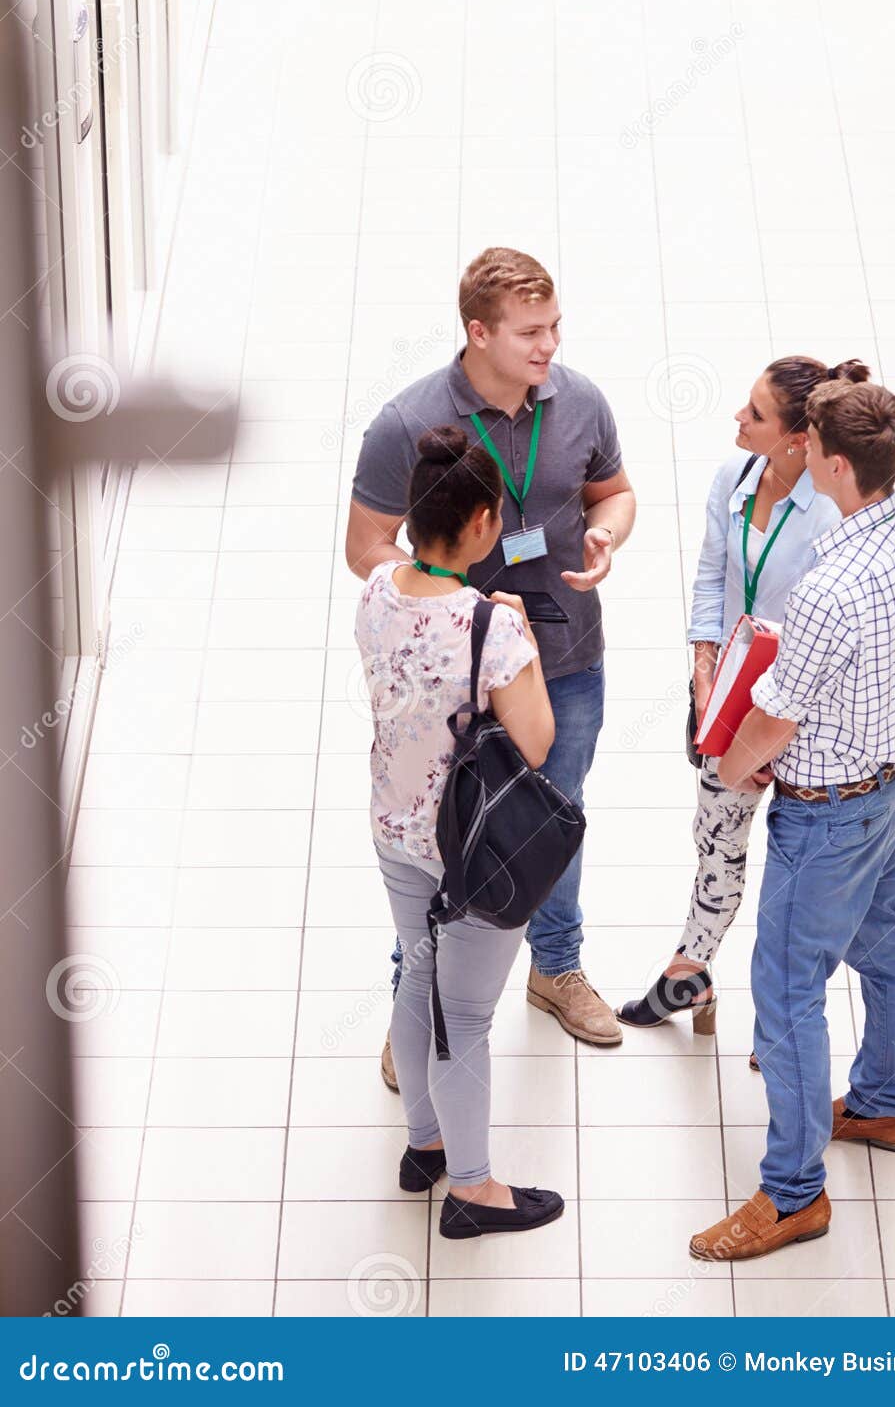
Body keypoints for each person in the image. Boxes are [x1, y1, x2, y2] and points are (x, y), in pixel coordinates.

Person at [346, 247, 636, 1071]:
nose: (549, 347)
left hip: (566, 655)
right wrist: (448, 601)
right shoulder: (408, 424)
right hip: (454, 674)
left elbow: (613, 491)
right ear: (477, 332)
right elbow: (366, 545)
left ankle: (556, 967)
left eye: (553, 328)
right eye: (529, 332)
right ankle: (420, 1002)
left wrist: (606, 534)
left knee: (553, 812)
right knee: (447, 830)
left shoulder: (578, 402)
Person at [689, 378, 895, 1264]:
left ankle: (793, 1193)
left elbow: (775, 716)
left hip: (824, 812)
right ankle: (883, 1103)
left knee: (786, 995)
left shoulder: (828, 586)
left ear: (833, 464)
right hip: (892, 788)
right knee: (887, 945)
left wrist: (724, 762)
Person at [616, 357, 869, 1035]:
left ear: (797, 439)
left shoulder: (827, 517)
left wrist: (766, 735)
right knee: (716, 839)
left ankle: (787, 1029)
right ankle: (688, 973)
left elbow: (825, 645)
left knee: (797, 879)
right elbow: (708, 576)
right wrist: (704, 680)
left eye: (753, 413)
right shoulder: (731, 479)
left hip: (796, 715)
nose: (736, 417)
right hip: (724, 697)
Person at [356, 423, 567, 1237]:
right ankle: (473, 1191)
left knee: (416, 976)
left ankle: (425, 1145)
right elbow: (537, 740)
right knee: (467, 1015)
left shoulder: (375, 589)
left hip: (393, 827)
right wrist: (522, 636)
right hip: (470, 853)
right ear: (481, 522)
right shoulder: (491, 625)